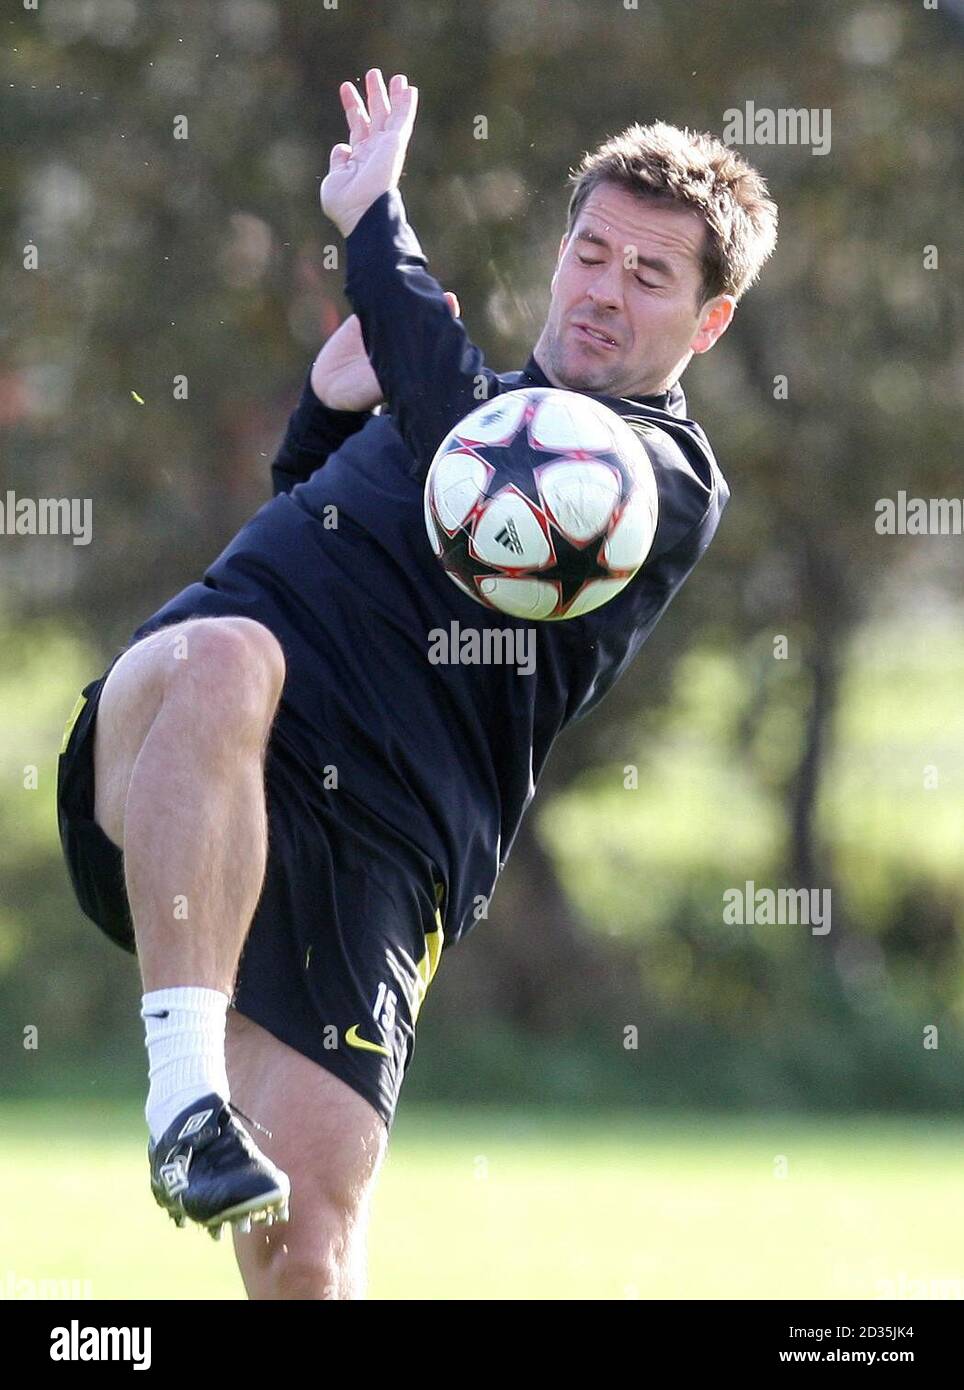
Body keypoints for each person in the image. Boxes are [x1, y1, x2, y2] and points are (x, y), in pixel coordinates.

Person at [56, 69, 777, 1299]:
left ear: (707, 325)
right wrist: (327, 415)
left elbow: (475, 455)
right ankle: (183, 1095)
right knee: (233, 649)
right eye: (590, 253)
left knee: (306, 1255)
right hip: (199, 734)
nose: (604, 289)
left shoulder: (652, 475)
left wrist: (375, 225)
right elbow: (321, 524)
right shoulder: (466, 404)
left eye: (649, 277)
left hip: (386, 846)